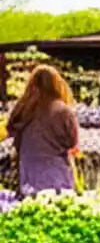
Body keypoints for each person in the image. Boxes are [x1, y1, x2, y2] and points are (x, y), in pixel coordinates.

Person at [6, 64, 79, 194]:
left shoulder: (23, 108)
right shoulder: (63, 111)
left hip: (28, 173)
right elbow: (72, 142)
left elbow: (10, 129)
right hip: (57, 174)